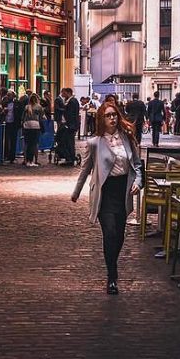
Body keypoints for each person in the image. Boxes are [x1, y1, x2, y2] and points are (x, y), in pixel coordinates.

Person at [70, 98, 143, 294]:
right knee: (109, 232)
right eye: (108, 115)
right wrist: (76, 193)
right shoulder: (94, 143)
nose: (112, 118)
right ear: (101, 119)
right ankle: (112, 276)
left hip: (123, 191)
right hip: (105, 192)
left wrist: (137, 182)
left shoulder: (127, 138)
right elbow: (85, 169)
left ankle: (113, 264)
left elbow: (137, 164)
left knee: (119, 235)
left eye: (114, 115)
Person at [21, 93, 44, 167]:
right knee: (35, 143)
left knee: (26, 143)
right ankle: (35, 160)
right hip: (36, 125)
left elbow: (23, 117)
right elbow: (41, 118)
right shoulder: (39, 107)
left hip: (27, 125)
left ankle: (25, 160)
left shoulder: (27, 107)